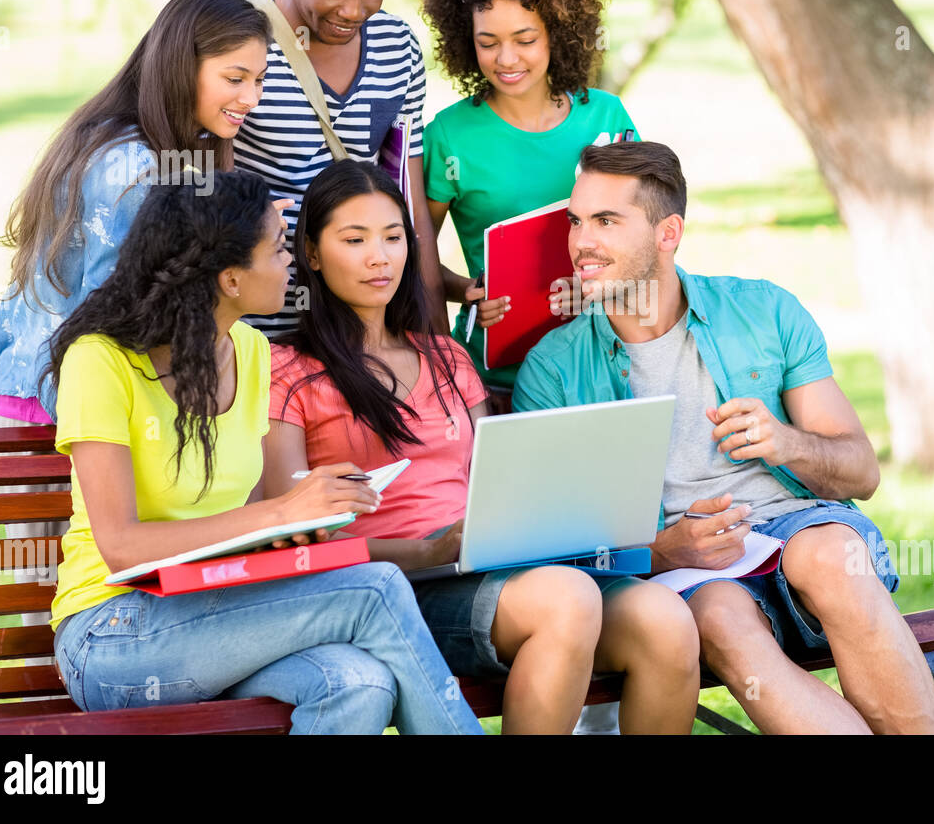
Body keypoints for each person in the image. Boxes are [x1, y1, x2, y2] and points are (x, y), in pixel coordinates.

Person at [514, 141, 934, 734]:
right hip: (685, 569)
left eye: (607, 221)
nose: (581, 243)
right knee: (718, 617)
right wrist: (666, 550)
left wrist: (785, 442)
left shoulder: (764, 311)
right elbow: (551, 541)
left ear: (668, 233)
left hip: (798, 528)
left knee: (833, 558)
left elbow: (861, 473)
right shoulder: (555, 369)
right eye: (576, 221)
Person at [263, 159, 700, 734]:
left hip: (495, 570)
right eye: (355, 239)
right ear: (313, 254)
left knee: (664, 619)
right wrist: (427, 551)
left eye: (394, 237)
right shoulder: (288, 372)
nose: (380, 257)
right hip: (389, 594)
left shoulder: (448, 358)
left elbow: (496, 478)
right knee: (565, 599)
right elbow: (292, 541)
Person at [44, 169, 481, 735]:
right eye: (277, 249)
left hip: (220, 608)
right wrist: (282, 511)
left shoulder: (250, 351)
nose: (291, 263)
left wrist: (307, 517)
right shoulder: (99, 361)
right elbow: (122, 547)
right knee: (375, 589)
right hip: (113, 632)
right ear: (230, 278)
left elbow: (241, 522)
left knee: (357, 683)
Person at [0, 0, 271, 425]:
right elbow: (114, 315)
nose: (251, 98)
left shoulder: (129, 138)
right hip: (56, 417)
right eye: (235, 79)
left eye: (259, 79)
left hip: (53, 400)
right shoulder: (133, 166)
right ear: (182, 66)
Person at [420, 0, 638, 401]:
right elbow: (414, 251)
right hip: (497, 377)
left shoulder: (605, 117)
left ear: (556, 32)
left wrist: (603, 283)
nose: (506, 58)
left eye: (525, 38)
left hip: (606, 363)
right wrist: (466, 290)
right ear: (464, 37)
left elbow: (646, 231)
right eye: (488, 42)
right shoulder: (448, 137)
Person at [234, 0, 446, 335]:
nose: (353, 11)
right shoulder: (237, 45)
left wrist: (433, 334)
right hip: (260, 330)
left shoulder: (398, 47)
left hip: (360, 329)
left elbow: (408, 197)